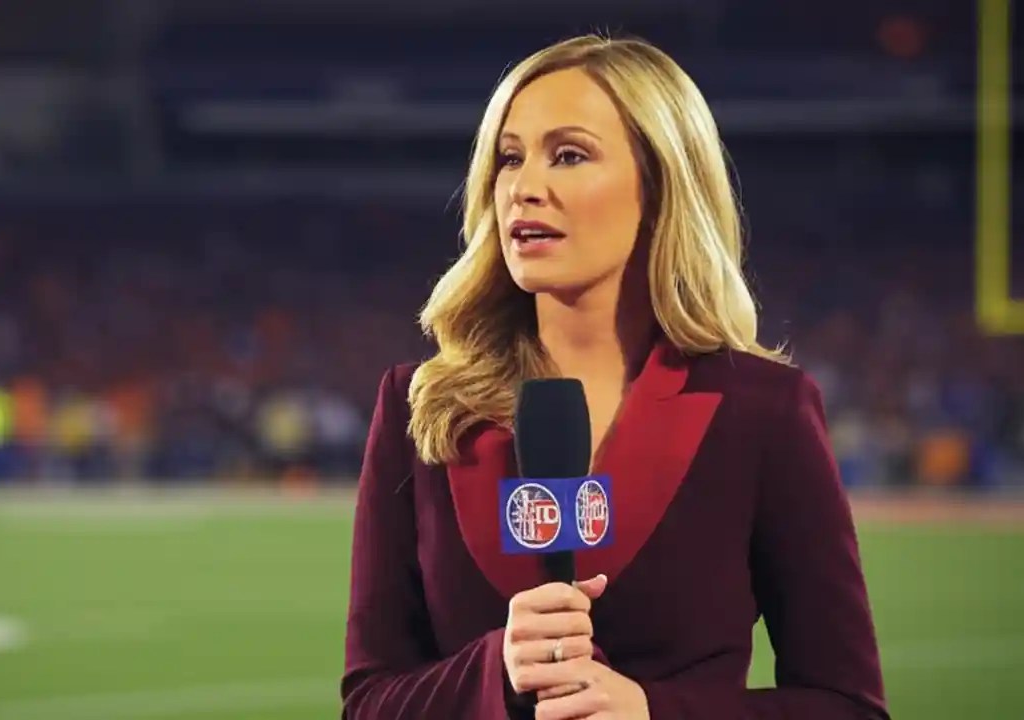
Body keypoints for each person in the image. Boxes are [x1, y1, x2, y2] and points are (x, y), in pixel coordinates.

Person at [341, 35, 889, 720]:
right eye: (510, 158)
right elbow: (368, 703)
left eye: (568, 155)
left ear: (659, 187)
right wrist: (496, 670)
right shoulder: (419, 407)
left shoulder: (762, 413)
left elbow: (848, 706)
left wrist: (654, 713)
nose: (524, 187)